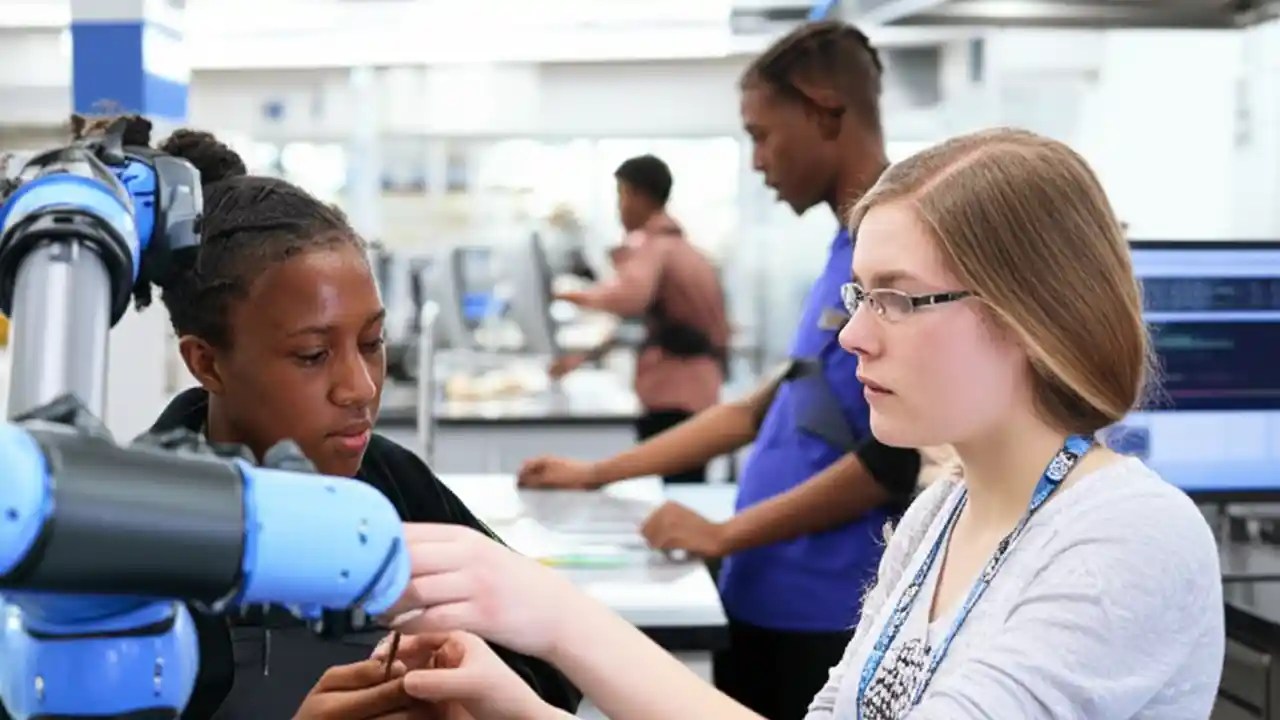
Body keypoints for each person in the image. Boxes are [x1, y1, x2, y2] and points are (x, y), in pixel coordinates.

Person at [383, 127, 1226, 719]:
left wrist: (560, 618)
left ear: (1026, 313)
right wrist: (527, 709)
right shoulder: (941, 514)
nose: (855, 333)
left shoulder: (1128, 536)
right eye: (860, 296)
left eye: (895, 297)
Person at [74, 116, 580, 719]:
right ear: (207, 364)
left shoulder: (394, 486)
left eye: (372, 342)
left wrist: (475, 695)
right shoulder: (126, 530)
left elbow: (553, 664)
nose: (360, 387)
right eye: (313, 355)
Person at [521, 21, 921, 719]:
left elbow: (892, 459)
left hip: (826, 612)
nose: (758, 160)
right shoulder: (845, 251)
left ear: (825, 112)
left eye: (763, 134)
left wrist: (723, 534)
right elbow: (755, 410)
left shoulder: (899, 252)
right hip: (766, 595)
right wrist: (595, 474)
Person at [548, 154, 730, 484]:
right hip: (694, 389)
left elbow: (627, 300)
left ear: (639, 196)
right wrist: (580, 359)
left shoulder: (655, 246)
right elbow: (644, 327)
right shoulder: (679, 247)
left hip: (677, 394)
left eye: (621, 196)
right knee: (680, 488)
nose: (619, 209)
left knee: (674, 494)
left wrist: (566, 294)